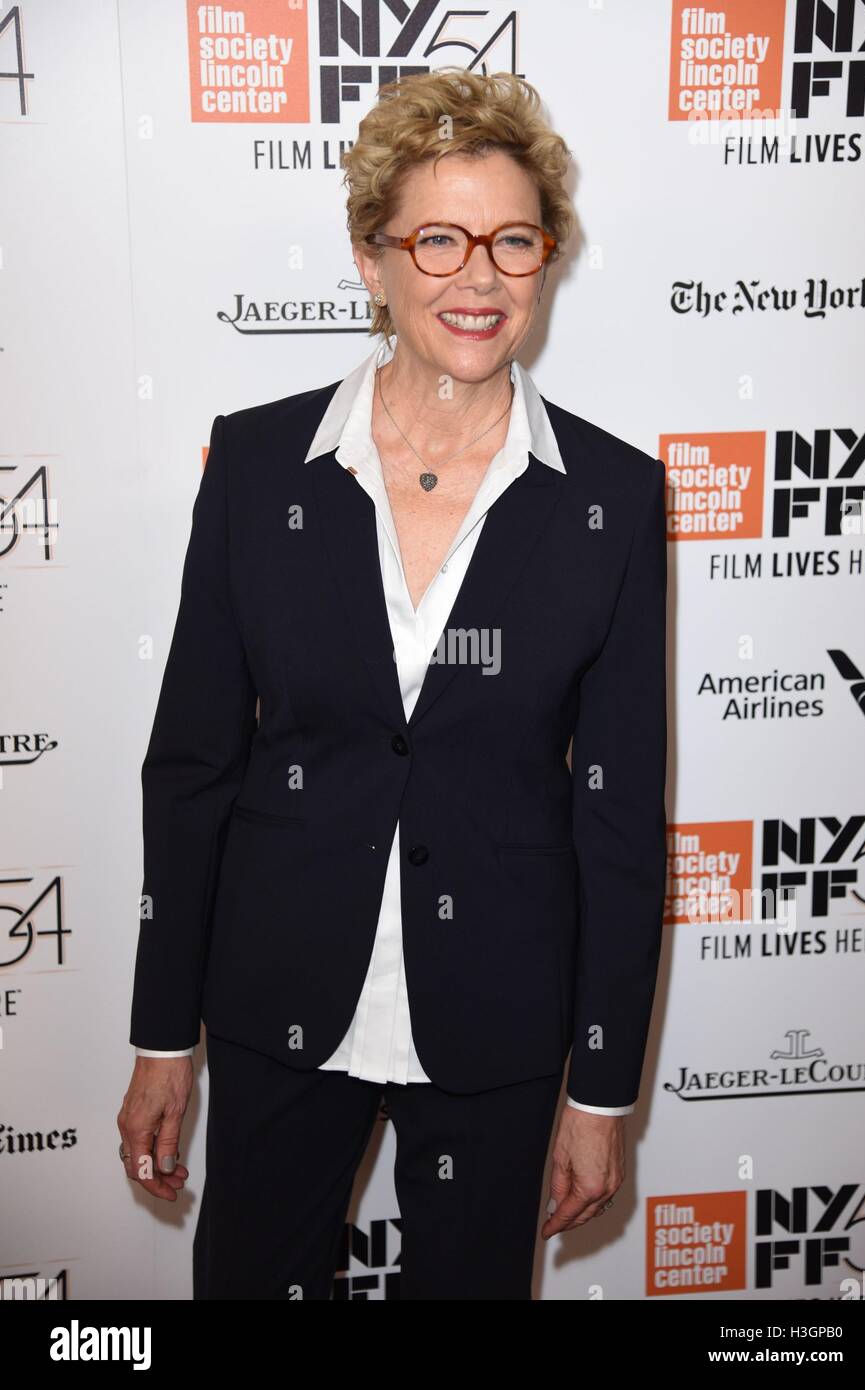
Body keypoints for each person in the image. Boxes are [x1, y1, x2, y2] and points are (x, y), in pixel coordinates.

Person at [118, 67, 668, 1301]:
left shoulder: (611, 501)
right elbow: (193, 764)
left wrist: (598, 1090)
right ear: (372, 259)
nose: (478, 277)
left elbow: (619, 819)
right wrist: (164, 1035)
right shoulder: (260, 465)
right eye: (438, 238)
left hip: (502, 1021)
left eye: (511, 239)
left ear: (545, 259)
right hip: (277, 1002)